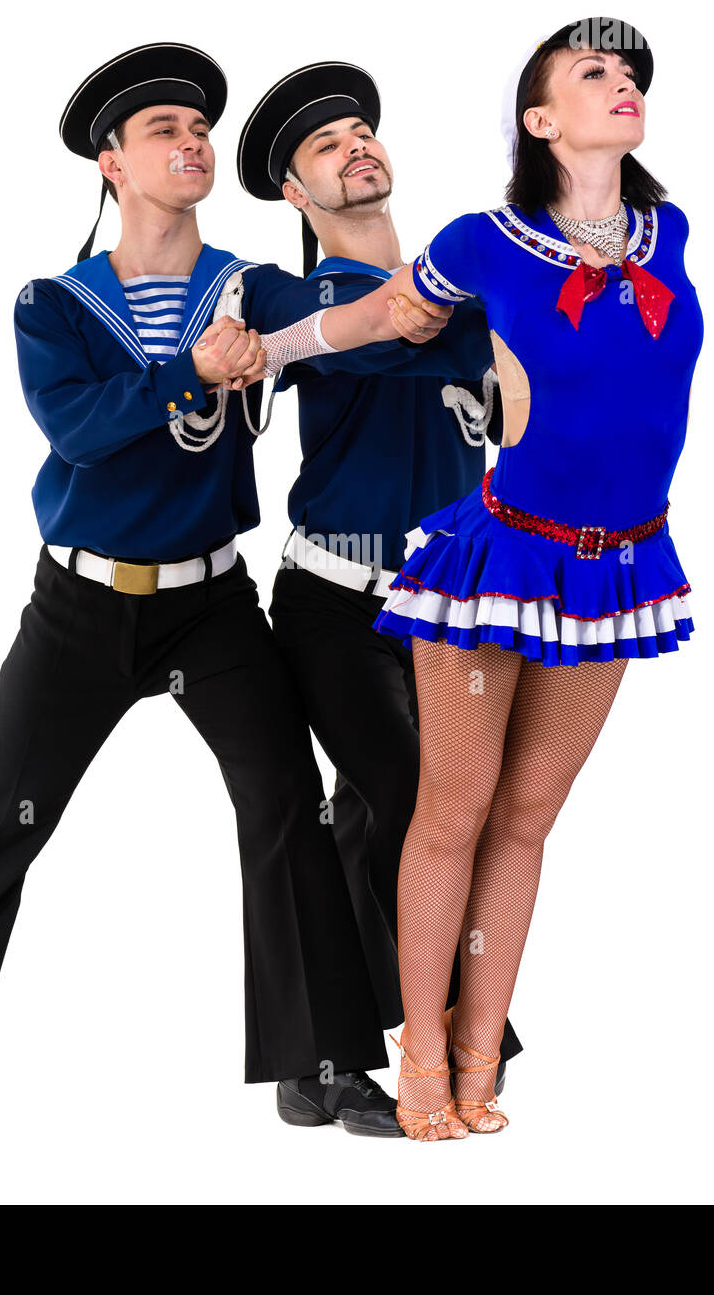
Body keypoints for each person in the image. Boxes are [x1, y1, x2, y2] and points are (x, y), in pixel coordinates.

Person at [0, 42, 437, 1136]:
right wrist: (192, 372)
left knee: (284, 804)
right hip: (81, 609)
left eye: (200, 127)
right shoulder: (54, 302)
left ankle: (326, 1064)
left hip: (214, 603)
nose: (192, 141)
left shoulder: (252, 289)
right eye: (165, 130)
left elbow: (341, 332)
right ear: (112, 164)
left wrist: (402, 311)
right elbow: (78, 431)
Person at [364, 17, 705, 1140]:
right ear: (539, 118)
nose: (622, 86)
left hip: (616, 566)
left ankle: (479, 1053)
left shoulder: (671, 232)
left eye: (630, 75)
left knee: (530, 812)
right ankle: (418, 1048)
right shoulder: (482, 237)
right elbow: (397, 314)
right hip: (496, 562)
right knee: (454, 809)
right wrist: (299, 339)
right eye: (592, 73)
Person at [235, 62, 525, 1128]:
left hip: (449, 605)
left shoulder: (458, 290)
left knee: (372, 821)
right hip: (335, 601)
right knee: (415, 799)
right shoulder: (286, 295)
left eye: (363, 130)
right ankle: (451, 1042)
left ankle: (320, 1060)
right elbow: (396, 334)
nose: (357, 145)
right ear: (295, 195)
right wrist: (495, 332)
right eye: (327, 146)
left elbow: (520, 406)